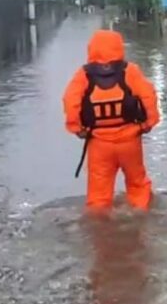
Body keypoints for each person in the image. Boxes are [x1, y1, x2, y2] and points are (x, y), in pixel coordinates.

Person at [63, 30, 160, 210]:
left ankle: (100, 229)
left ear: (91, 49)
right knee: (138, 184)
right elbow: (149, 95)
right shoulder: (130, 71)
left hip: (98, 143)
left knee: (98, 195)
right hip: (130, 141)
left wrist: (76, 128)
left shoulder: (83, 75)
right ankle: (141, 218)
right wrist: (149, 123)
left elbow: (70, 100)